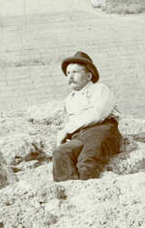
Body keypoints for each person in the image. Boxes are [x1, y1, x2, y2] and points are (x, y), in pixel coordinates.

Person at [52, 51, 121, 181]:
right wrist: (64, 133)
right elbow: (69, 121)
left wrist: (68, 129)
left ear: (89, 76)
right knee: (60, 153)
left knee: (87, 160)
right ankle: (70, 189)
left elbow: (98, 113)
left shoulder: (99, 89)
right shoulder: (69, 99)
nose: (70, 76)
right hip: (79, 135)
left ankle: (86, 187)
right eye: (68, 73)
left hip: (102, 131)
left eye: (75, 72)